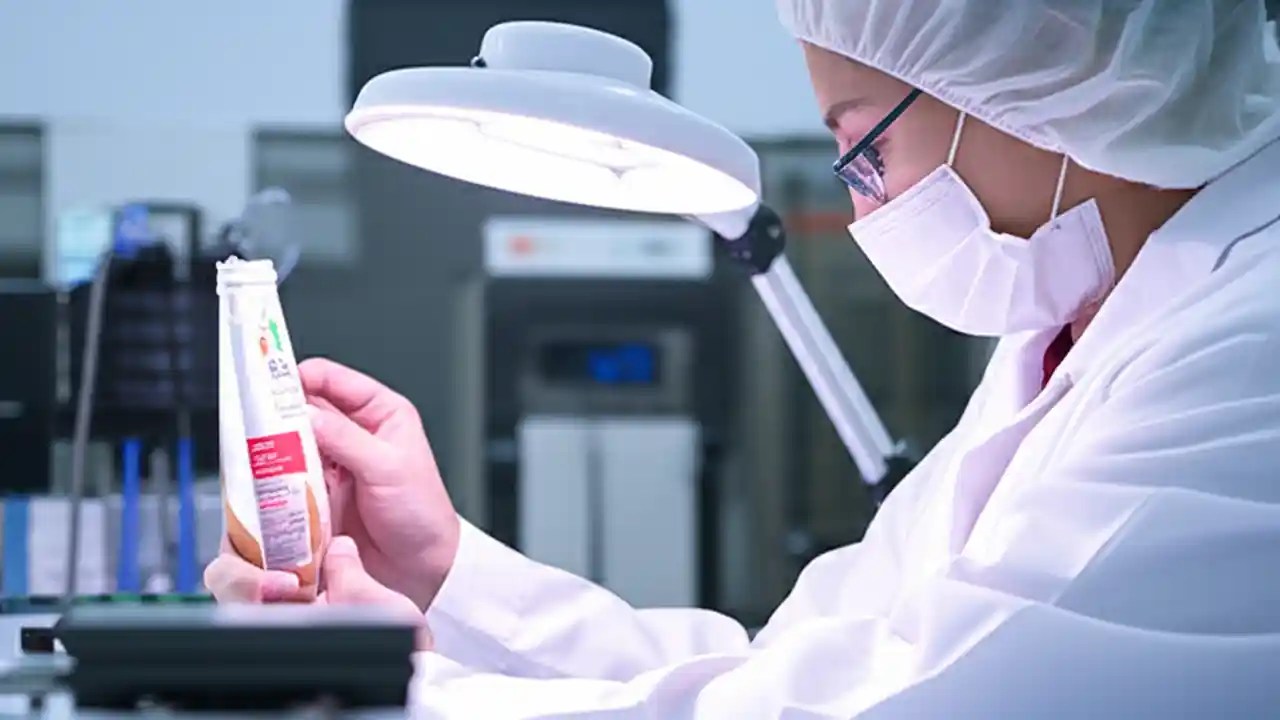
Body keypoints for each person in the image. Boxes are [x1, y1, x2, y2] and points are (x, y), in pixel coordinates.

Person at [207, 0, 1280, 716]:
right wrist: (447, 574)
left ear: (1056, 75)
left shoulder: (1251, 343)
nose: (860, 201)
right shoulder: (1065, 330)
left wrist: (403, 684)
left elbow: (907, 704)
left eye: (860, 148)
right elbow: (798, 669)